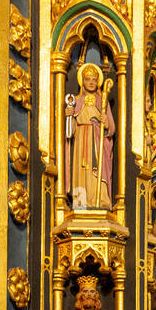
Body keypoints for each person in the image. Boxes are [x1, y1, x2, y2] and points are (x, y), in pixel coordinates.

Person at [64, 62, 114, 208]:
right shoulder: (77, 101)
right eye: (88, 79)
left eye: (94, 79)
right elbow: (69, 133)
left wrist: (105, 123)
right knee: (81, 172)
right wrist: (69, 117)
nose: (91, 82)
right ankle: (80, 203)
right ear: (82, 81)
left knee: (97, 172)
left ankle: (100, 201)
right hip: (81, 141)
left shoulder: (102, 101)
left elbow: (111, 128)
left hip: (97, 142)